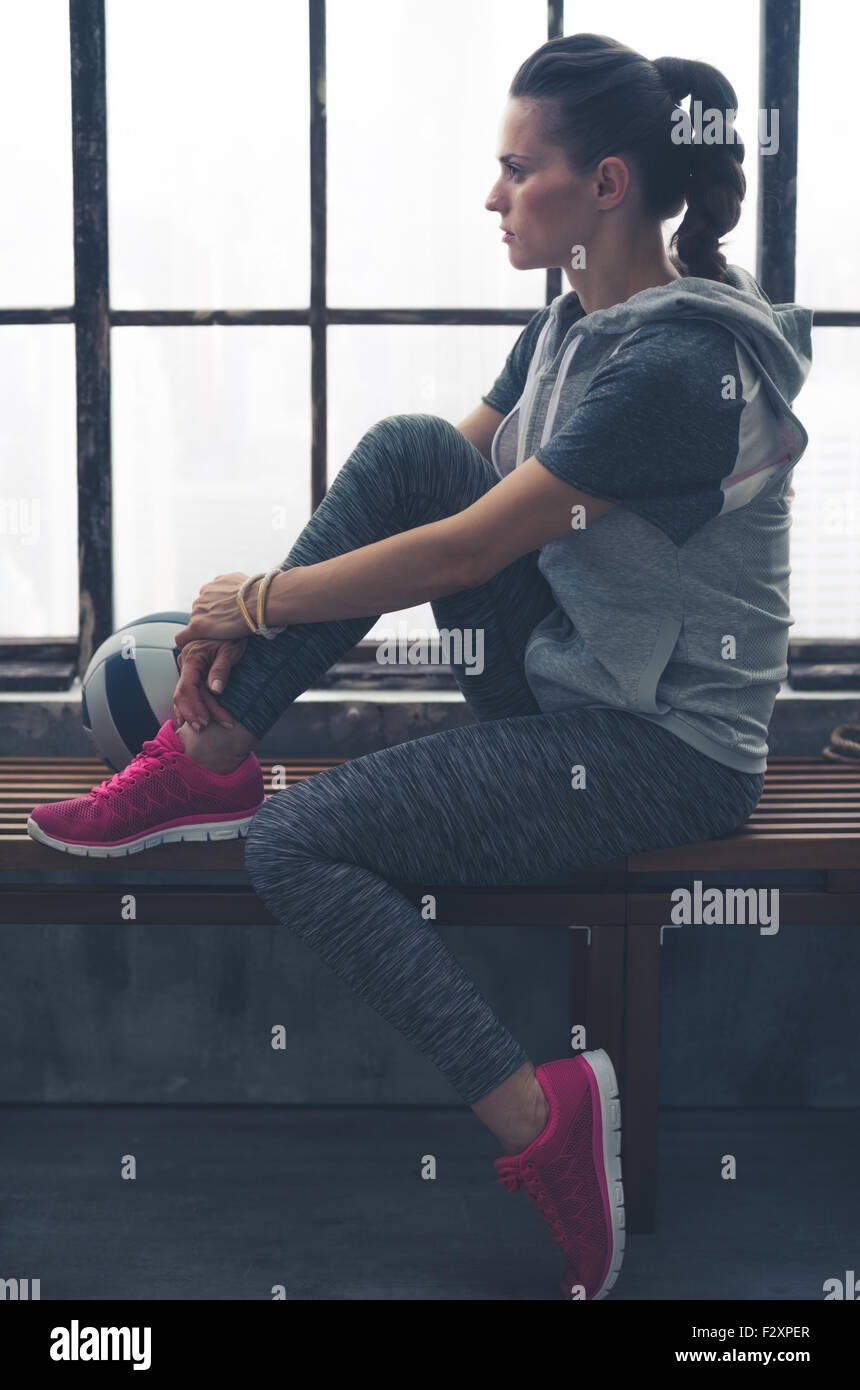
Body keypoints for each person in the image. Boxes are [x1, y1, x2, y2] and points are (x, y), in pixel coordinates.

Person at [28, 33, 813, 1300]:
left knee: (296, 846)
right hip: (573, 671)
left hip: (658, 746)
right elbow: (427, 491)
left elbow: (470, 546)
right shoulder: (571, 318)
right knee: (403, 445)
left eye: (517, 170)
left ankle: (537, 1118)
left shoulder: (676, 365)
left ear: (604, 184)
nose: (492, 196)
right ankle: (214, 755)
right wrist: (256, 625)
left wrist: (259, 597)